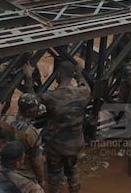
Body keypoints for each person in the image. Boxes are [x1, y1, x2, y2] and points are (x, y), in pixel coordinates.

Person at [40, 58, 91, 193]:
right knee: (73, 172)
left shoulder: (51, 96)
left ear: (58, 75)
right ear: (72, 75)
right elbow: (85, 86)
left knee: (54, 176)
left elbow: (32, 100)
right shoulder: (83, 93)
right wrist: (79, 73)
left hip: (57, 146)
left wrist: (28, 77)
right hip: (76, 144)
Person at [0, 91, 47, 188]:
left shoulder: (6, 120)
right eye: (35, 109)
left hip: (7, 168)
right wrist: (41, 179)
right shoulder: (31, 133)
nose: (38, 110)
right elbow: (37, 161)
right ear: (27, 112)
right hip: (24, 172)